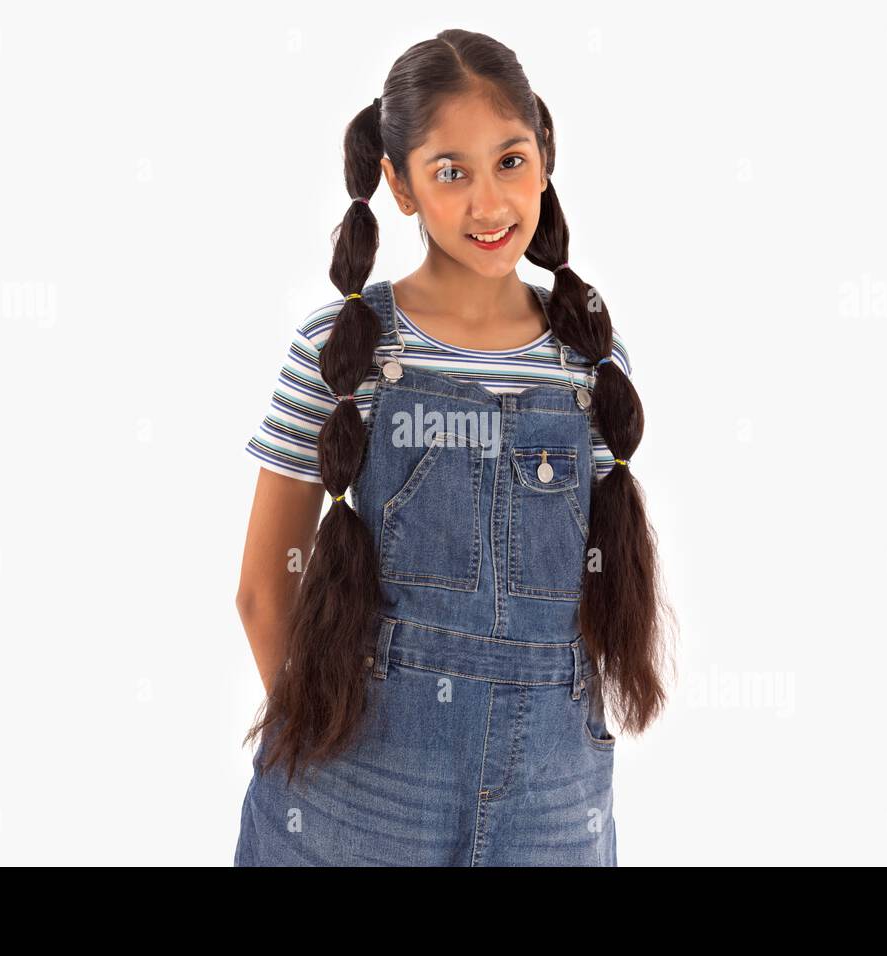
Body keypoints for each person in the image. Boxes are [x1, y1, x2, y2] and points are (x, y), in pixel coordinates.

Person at [233, 28, 674, 866]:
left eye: (510, 161)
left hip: (552, 793)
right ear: (398, 184)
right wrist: (333, 745)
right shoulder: (342, 349)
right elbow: (264, 589)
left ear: (545, 155)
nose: (489, 203)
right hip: (363, 785)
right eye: (450, 172)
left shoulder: (591, 359)